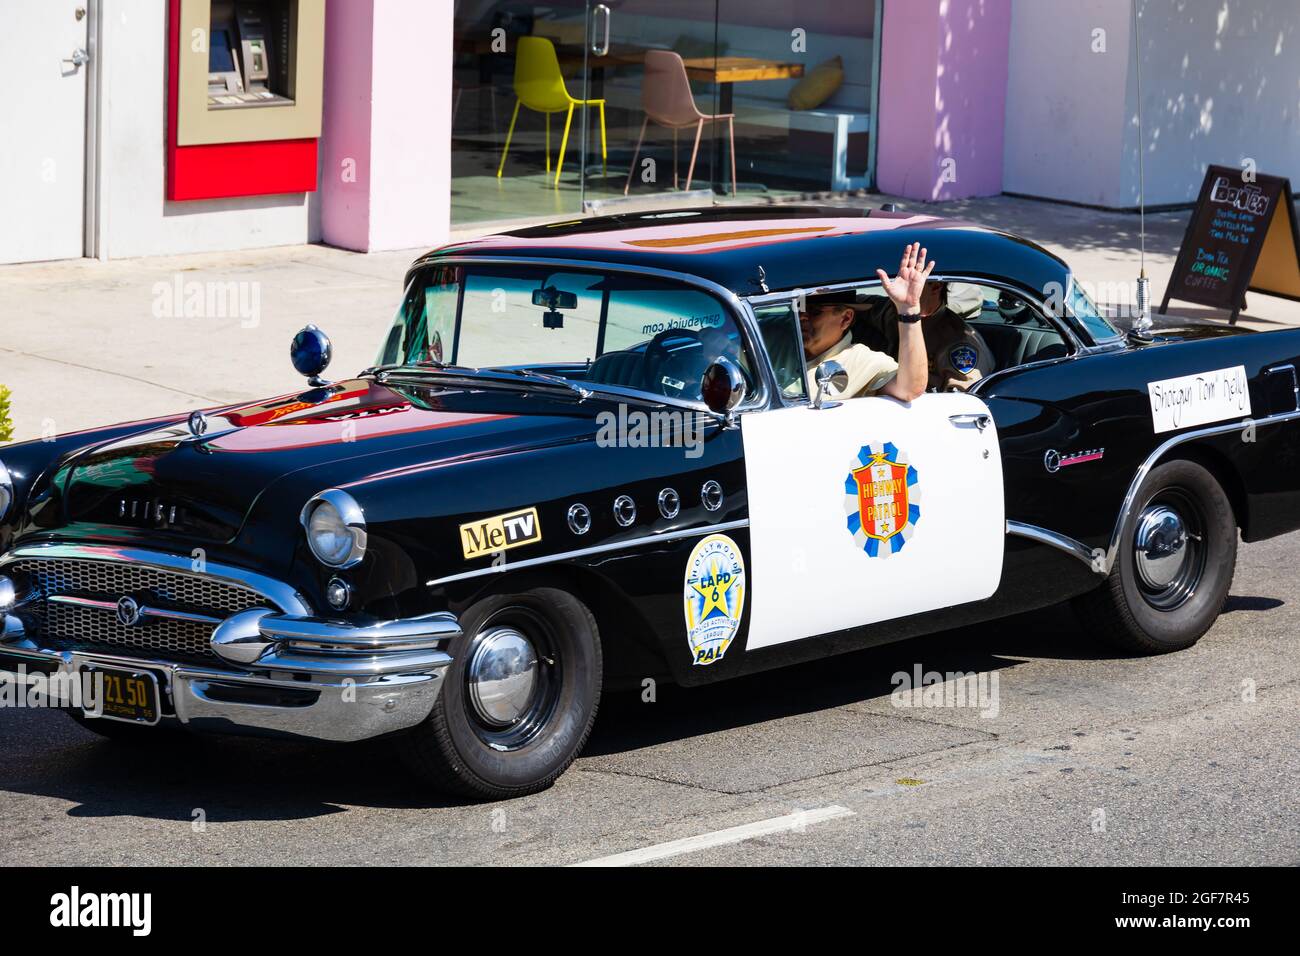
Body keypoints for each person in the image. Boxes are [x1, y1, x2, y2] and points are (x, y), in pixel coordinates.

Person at [798, 242, 934, 401]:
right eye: (799, 308)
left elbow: (909, 389)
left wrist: (909, 310)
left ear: (846, 318)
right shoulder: (777, 338)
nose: (802, 317)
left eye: (815, 312)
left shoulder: (863, 360)